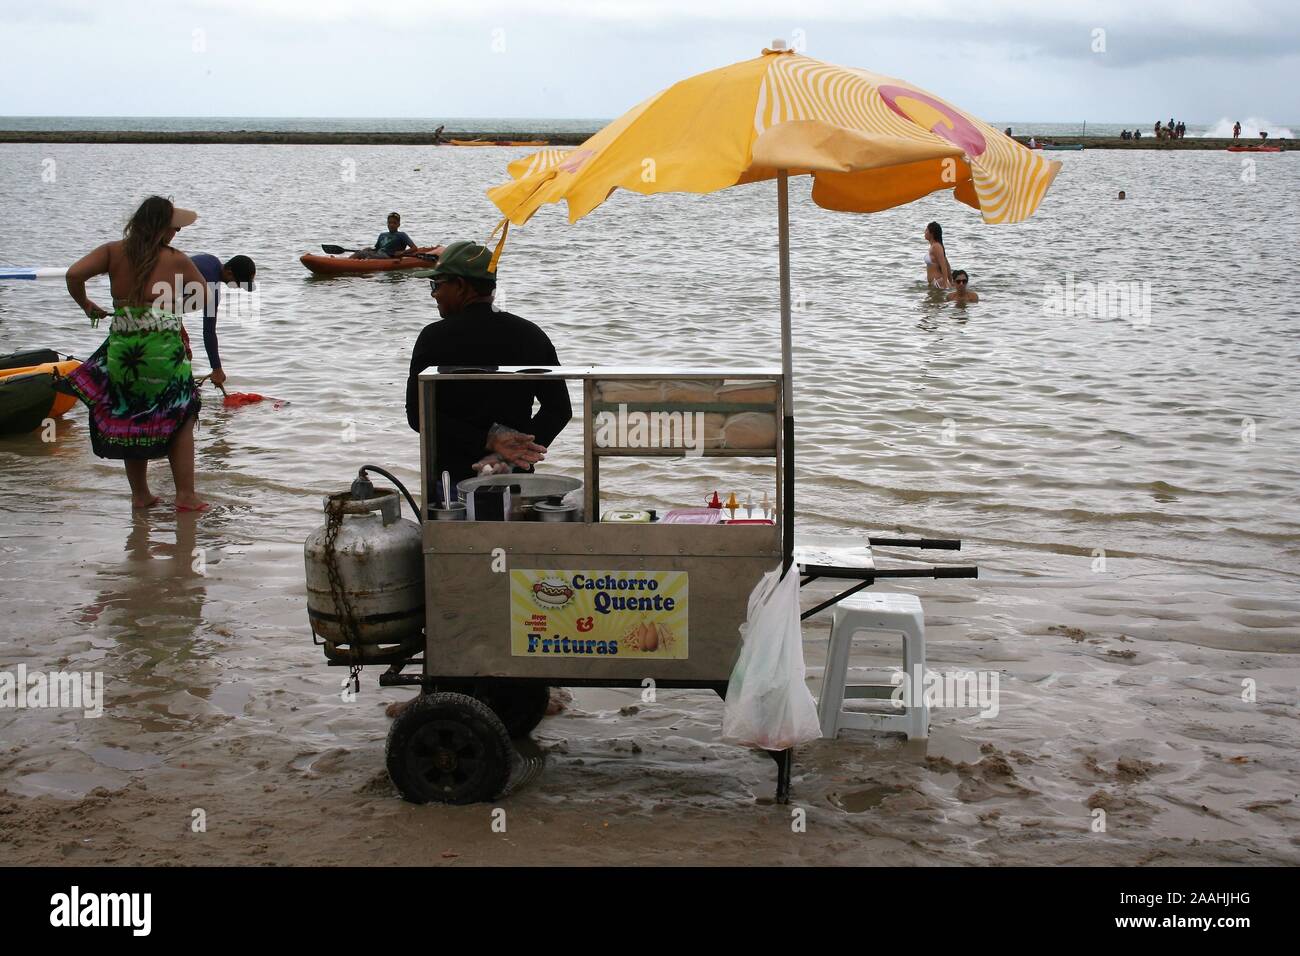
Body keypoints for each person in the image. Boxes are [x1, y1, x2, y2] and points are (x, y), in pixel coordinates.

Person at [59, 196, 209, 511]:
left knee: (131, 412)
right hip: (163, 351)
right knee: (182, 415)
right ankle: (185, 496)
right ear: (161, 228)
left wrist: (87, 305)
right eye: (173, 228)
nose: (177, 234)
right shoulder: (176, 259)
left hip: (124, 350)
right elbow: (202, 297)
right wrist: (169, 311)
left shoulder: (112, 252)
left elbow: (74, 275)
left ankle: (140, 496)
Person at [405, 239, 572, 488]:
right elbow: (558, 410)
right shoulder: (530, 334)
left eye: (437, 284)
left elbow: (418, 415)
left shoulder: (434, 337)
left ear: (460, 286)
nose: (433, 293)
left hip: (451, 484)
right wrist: (512, 455)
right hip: (514, 480)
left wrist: (489, 440)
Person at [189, 253, 255, 390]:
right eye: (239, 284)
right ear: (229, 272)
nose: (238, 288)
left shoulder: (211, 259)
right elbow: (209, 331)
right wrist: (217, 369)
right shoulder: (212, 288)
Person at [351, 212, 435, 259]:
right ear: (387, 224)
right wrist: (369, 249)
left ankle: (348, 263)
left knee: (361, 254)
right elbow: (377, 249)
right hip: (379, 254)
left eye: (394, 223)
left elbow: (414, 248)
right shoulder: (382, 235)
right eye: (389, 223)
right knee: (361, 252)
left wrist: (403, 252)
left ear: (398, 224)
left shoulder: (402, 235)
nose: (391, 225)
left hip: (387, 256)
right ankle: (348, 261)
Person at [923, 221, 952, 290]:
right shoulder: (934, 246)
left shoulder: (936, 247)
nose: (924, 232)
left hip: (938, 283)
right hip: (935, 283)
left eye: (926, 230)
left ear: (932, 233)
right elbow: (947, 263)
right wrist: (951, 281)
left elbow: (944, 265)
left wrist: (945, 283)